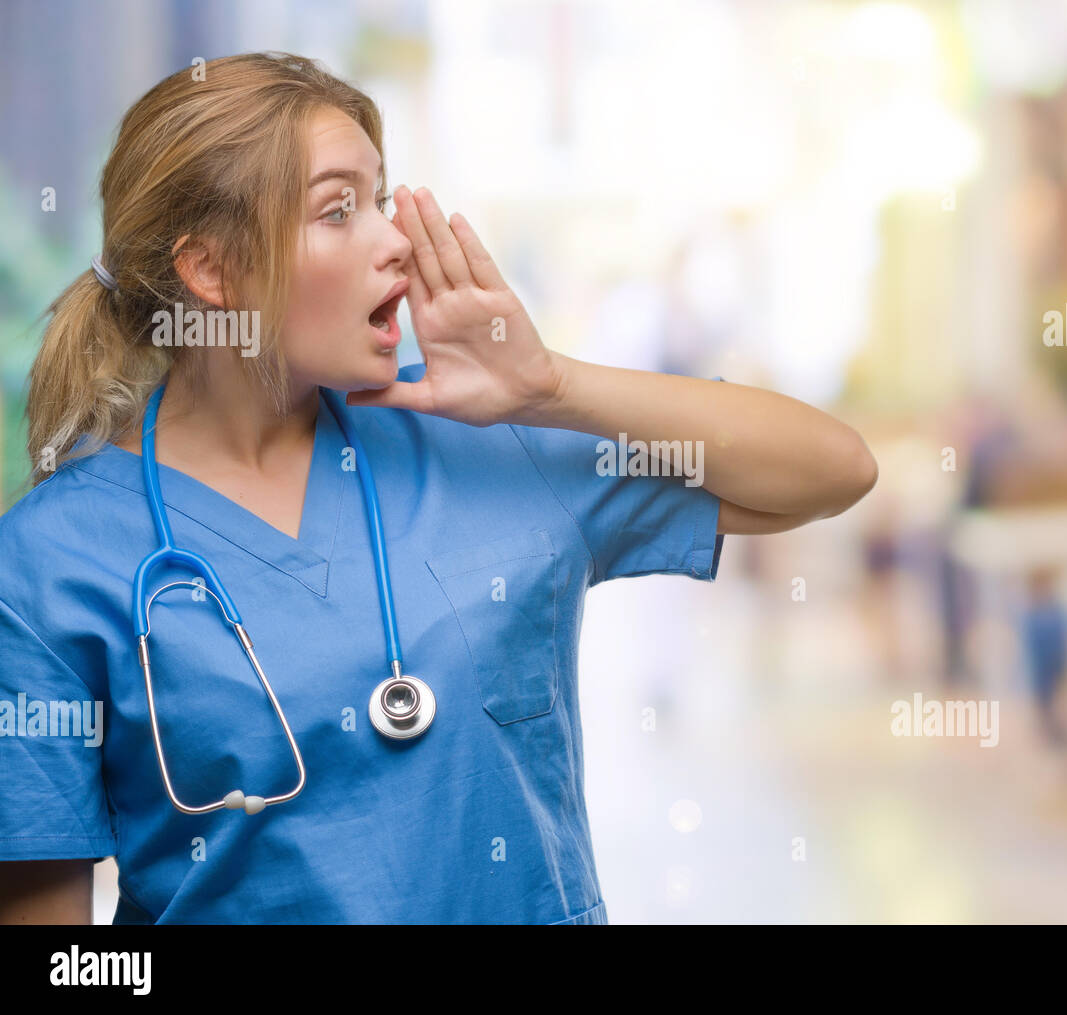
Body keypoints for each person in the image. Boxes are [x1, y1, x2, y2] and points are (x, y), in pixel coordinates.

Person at [0, 52, 877, 925]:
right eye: (338, 210)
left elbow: (833, 468)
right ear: (213, 272)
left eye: (381, 199)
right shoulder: (50, 562)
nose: (394, 241)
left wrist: (552, 385)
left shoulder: (486, 438)